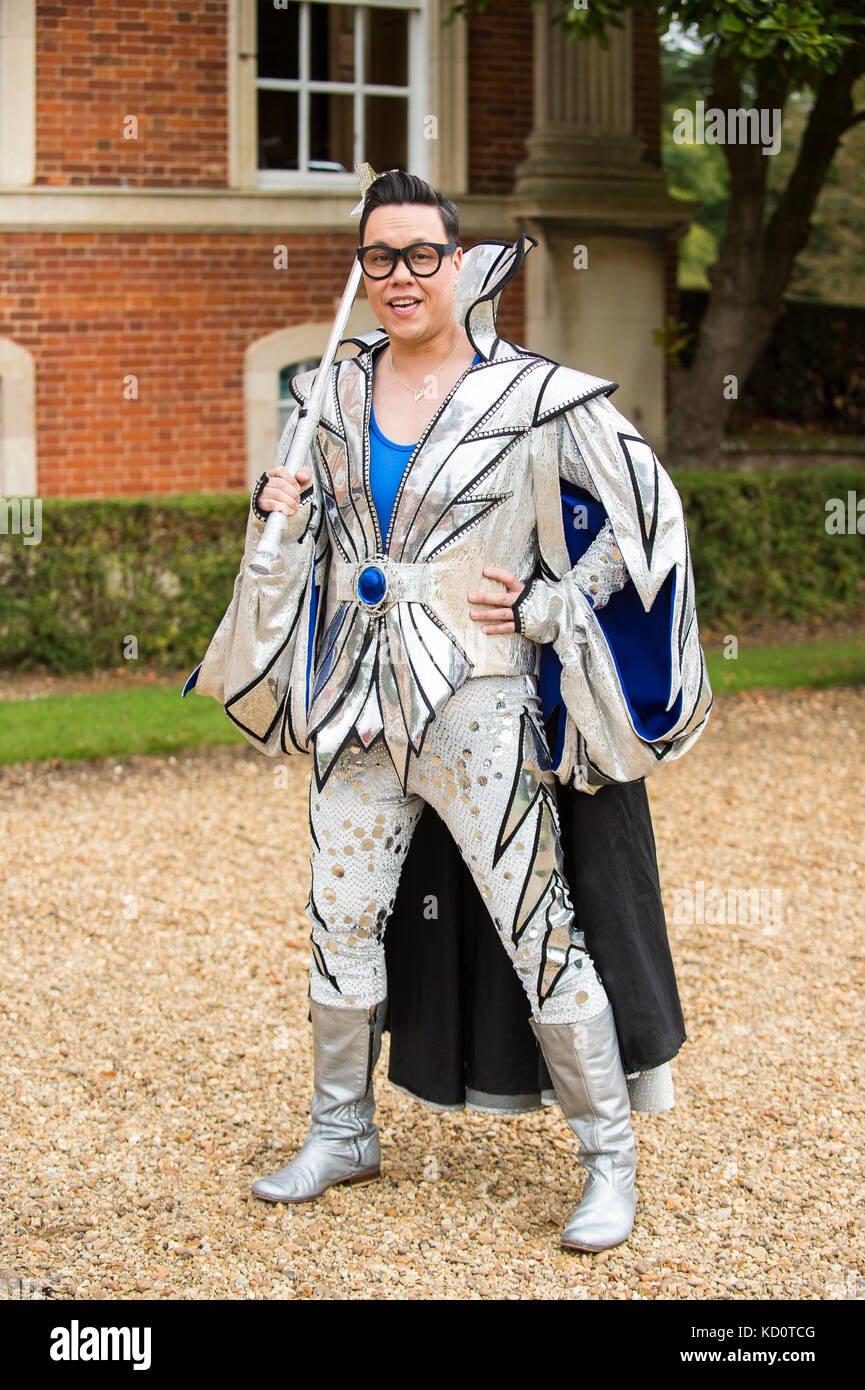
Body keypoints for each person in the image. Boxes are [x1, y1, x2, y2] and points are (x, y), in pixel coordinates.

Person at [185, 170, 712, 1252]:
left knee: (537, 928)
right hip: (354, 702)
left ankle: (608, 1164)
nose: (399, 276)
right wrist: (273, 514)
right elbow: (312, 546)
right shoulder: (327, 392)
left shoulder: (532, 395)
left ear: (459, 264)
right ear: (361, 269)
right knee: (340, 918)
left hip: (480, 705)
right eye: (379, 257)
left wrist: (556, 600)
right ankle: (342, 1130)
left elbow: (644, 516)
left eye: (421, 254)